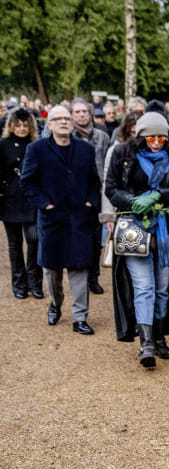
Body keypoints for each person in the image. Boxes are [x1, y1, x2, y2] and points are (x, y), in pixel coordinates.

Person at [104, 112, 169, 367]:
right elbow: (111, 188)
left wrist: (157, 196)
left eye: (160, 137)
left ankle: (158, 336)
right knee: (144, 285)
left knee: (162, 288)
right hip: (134, 227)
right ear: (140, 135)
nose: (156, 142)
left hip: (166, 231)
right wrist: (132, 201)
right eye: (150, 137)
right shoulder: (123, 154)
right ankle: (145, 343)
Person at [21, 105, 101, 334]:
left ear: (73, 122)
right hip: (51, 218)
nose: (64, 122)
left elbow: (94, 181)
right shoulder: (36, 150)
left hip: (79, 218)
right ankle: (56, 303)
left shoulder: (85, 149)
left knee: (79, 268)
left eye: (67, 118)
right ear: (50, 124)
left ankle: (80, 317)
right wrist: (45, 204)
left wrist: (89, 203)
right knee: (52, 270)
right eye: (58, 119)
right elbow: (27, 182)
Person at [70, 98, 111, 295]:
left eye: (84, 112)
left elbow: (106, 164)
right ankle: (78, 276)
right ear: (72, 115)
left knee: (95, 240)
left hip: (96, 193)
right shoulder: (67, 136)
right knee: (76, 237)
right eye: (77, 112)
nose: (81, 115)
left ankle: (93, 278)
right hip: (73, 195)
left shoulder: (102, 136)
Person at [1, 108, 41, 299]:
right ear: (11, 125)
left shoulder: (37, 145)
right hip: (10, 200)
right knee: (14, 244)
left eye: (26, 125)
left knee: (34, 240)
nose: (22, 128)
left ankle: (35, 281)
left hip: (32, 200)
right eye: (18, 125)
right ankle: (19, 283)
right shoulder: (2, 144)